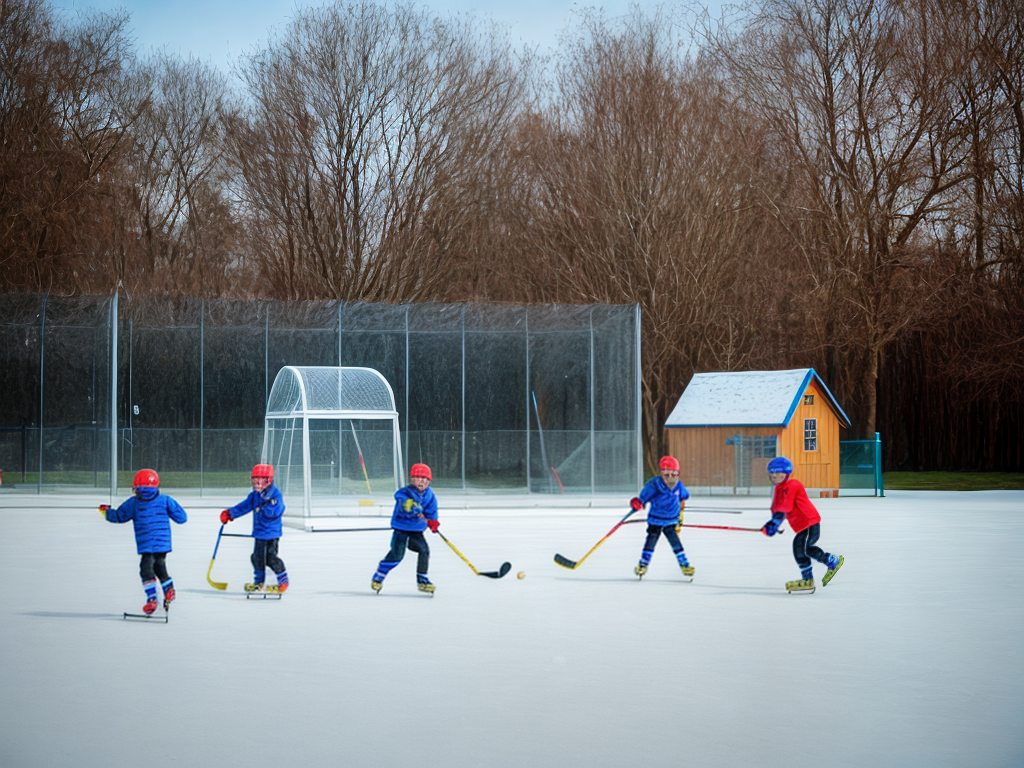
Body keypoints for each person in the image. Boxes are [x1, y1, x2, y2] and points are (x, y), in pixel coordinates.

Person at [101, 469, 187, 615]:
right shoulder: (166, 500)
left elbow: (119, 516)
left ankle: (152, 599)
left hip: (146, 544)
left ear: (135, 488)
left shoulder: (133, 503)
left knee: (146, 569)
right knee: (159, 565)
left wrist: (105, 512)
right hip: (162, 543)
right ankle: (168, 589)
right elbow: (182, 518)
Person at [761, 456, 844, 592]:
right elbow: (776, 509)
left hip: (809, 521)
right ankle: (828, 563)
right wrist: (772, 525)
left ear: (786, 473)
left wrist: (774, 523)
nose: (774, 476)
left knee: (803, 548)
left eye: (778, 472)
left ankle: (815, 574)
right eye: (772, 472)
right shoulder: (777, 490)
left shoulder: (793, 485)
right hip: (800, 525)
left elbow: (786, 507)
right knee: (801, 548)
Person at [372, 463, 440, 594]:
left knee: (424, 550)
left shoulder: (430, 496)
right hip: (401, 528)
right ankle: (379, 575)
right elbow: (403, 503)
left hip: (416, 530)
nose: (422, 481)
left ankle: (422, 579)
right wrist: (412, 507)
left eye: (425, 479)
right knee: (397, 555)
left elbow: (431, 510)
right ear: (412, 480)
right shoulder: (405, 493)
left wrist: (433, 522)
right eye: (418, 478)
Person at [220, 464, 289, 593]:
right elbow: (244, 506)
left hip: (271, 534)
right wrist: (230, 513)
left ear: (268, 480)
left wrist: (263, 508)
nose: (257, 483)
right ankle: (259, 582)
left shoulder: (275, 495)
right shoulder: (255, 496)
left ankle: (283, 580)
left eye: (261, 480)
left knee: (270, 558)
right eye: (255, 480)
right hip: (259, 533)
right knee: (257, 557)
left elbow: (278, 510)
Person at [630, 455, 693, 579]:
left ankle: (684, 564)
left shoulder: (679, 486)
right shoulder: (654, 484)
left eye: (674, 473)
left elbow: (683, 497)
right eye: (667, 473)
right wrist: (638, 503)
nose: (670, 476)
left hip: (671, 520)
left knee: (674, 541)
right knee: (651, 540)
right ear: (662, 472)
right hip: (656, 519)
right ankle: (643, 563)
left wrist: (680, 517)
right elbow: (643, 497)